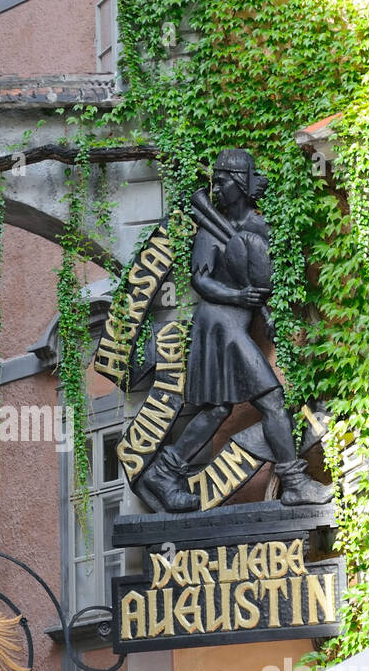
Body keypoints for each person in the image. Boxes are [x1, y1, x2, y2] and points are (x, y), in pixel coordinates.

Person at [141, 148, 332, 513]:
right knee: (272, 400)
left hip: (233, 323)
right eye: (215, 182)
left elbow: (257, 272)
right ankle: (293, 483)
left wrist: (262, 307)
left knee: (216, 409)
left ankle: (163, 472)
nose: (217, 190)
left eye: (225, 181)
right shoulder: (209, 230)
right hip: (218, 324)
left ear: (242, 184)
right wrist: (241, 295)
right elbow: (201, 281)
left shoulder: (256, 228)